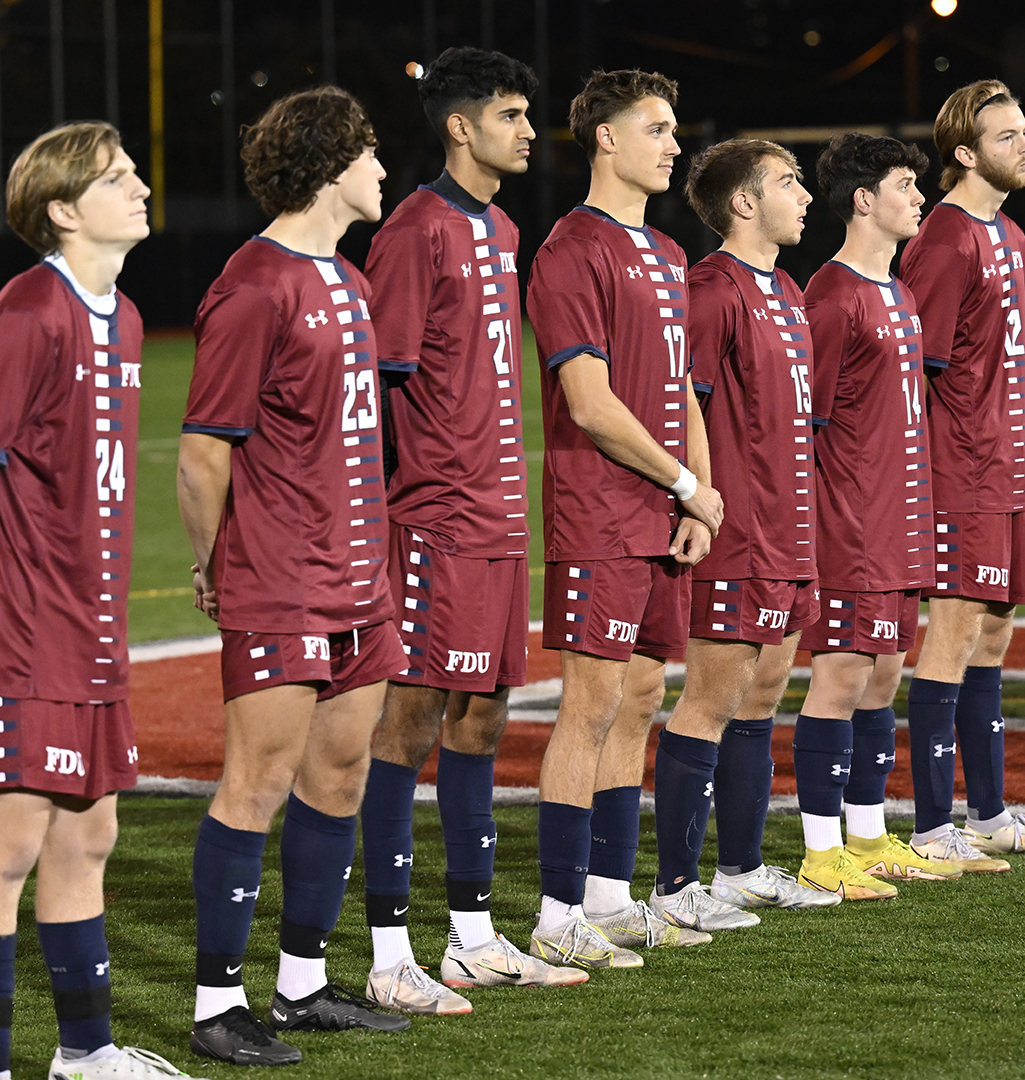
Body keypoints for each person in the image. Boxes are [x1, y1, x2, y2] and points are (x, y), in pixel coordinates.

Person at [0, 121, 202, 1080]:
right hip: (23, 621)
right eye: (117, 178)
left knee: (91, 830)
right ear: (61, 208)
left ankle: (85, 1054)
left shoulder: (120, 316)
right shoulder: (26, 313)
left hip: (91, 620)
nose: (140, 189)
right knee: (9, 843)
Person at [177, 87, 410, 1066]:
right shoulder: (254, 285)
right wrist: (217, 562)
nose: (383, 170)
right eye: (368, 154)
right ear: (327, 165)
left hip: (363, 572)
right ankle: (215, 1002)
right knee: (258, 779)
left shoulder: (348, 281)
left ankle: (305, 982)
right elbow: (201, 452)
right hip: (283, 576)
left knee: (341, 769)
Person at [357, 46, 584, 1013]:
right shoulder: (414, 230)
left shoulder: (499, 225)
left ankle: (473, 937)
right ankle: (385, 950)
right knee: (407, 727)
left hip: (496, 517)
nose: (530, 130)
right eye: (512, 114)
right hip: (432, 520)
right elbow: (380, 385)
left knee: (483, 721)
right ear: (461, 125)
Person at [524, 69, 723, 968]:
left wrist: (700, 498)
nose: (673, 142)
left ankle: (605, 898)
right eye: (656, 127)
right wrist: (686, 482)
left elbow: (679, 386)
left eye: (674, 127)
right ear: (605, 138)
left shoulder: (670, 254)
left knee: (641, 696)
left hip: (665, 507)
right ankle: (556, 910)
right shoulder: (572, 249)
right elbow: (591, 402)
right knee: (591, 703)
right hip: (602, 510)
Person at [648, 137, 844, 923]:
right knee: (710, 702)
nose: (804, 196)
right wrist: (699, 499)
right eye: (789, 183)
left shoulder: (787, 290)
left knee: (763, 697)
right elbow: (683, 397)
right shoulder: (712, 289)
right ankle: (674, 886)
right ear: (743, 203)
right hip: (738, 530)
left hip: (791, 530)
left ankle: (740, 867)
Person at [792, 130, 990, 900]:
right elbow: (804, 422)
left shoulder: (900, 294)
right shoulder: (832, 297)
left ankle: (869, 834)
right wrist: (825, 520)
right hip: (851, 521)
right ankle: (819, 847)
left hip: (902, 518)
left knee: (883, 677)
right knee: (839, 677)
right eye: (908, 186)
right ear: (864, 200)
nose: (922, 198)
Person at [897, 80, 1025, 855]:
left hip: (1004, 469)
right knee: (953, 635)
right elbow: (915, 370)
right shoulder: (943, 240)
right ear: (966, 154)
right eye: (1008, 137)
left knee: (997, 635)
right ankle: (935, 825)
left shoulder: (1007, 235)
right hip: (959, 470)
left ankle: (990, 814)